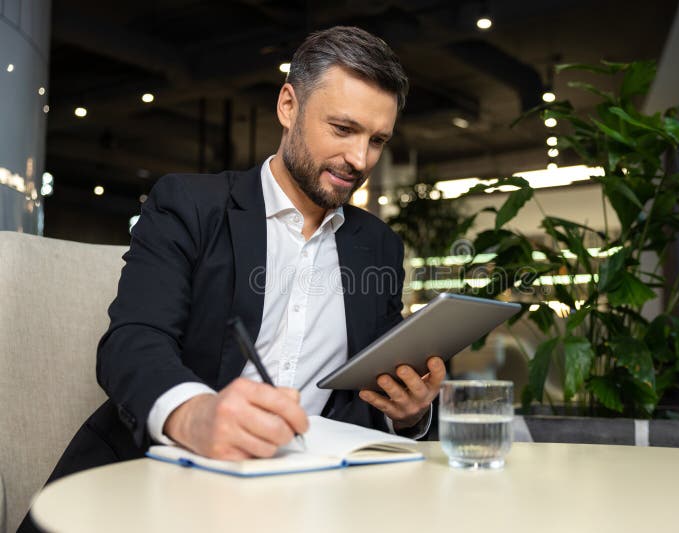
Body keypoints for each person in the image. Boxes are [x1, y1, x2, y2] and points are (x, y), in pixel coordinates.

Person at [19, 25, 444, 532]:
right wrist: (195, 415)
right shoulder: (190, 206)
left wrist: (410, 413)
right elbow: (133, 341)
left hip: (311, 501)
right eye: (343, 129)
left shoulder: (377, 245)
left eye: (377, 140)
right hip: (156, 484)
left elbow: (375, 382)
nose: (360, 159)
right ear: (289, 105)